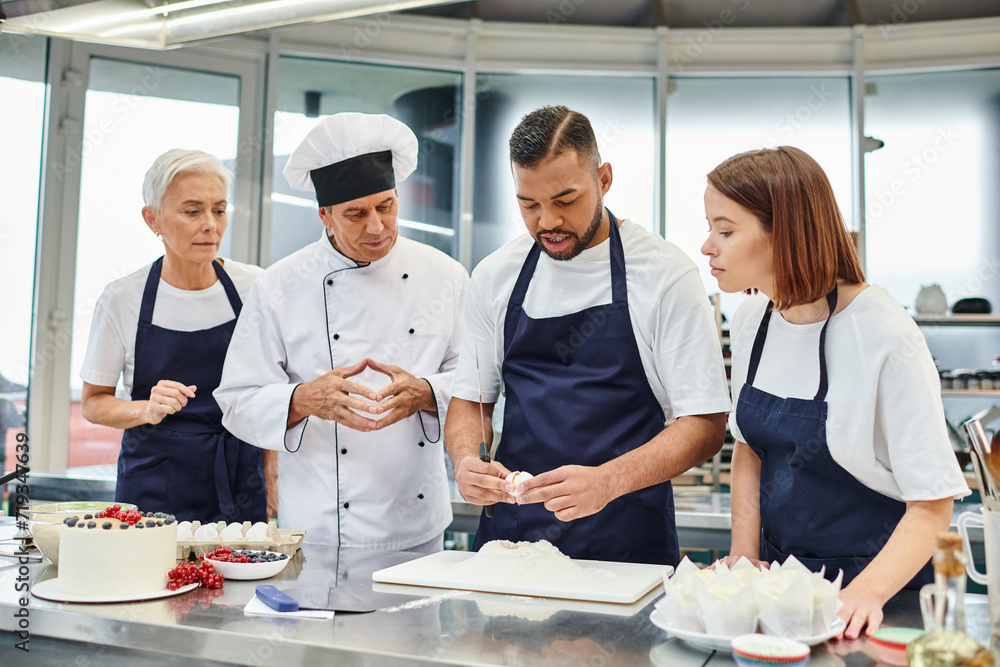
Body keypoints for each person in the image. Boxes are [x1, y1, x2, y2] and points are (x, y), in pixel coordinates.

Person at [701, 146, 969, 637]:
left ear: (783, 234)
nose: (707, 247)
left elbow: (933, 502)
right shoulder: (750, 321)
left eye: (725, 230)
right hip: (789, 585)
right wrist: (744, 557)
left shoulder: (882, 330)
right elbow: (748, 448)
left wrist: (865, 592)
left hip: (886, 592)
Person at [444, 106, 730, 566]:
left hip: (625, 541)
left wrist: (608, 481)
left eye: (565, 199)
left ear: (605, 178)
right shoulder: (495, 275)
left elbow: (705, 425)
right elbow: (472, 401)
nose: (547, 222)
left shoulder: (664, 274)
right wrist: (465, 461)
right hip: (512, 541)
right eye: (529, 205)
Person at [215, 112, 469, 551]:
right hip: (319, 528)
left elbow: (479, 382)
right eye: (355, 213)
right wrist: (302, 399)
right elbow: (236, 402)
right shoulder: (279, 285)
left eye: (386, 206)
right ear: (325, 215)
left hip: (417, 526)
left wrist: (426, 392)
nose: (376, 226)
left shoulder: (445, 276)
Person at [81, 149, 267, 523]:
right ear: (153, 219)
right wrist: (145, 408)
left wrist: (273, 475)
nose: (211, 225)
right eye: (192, 211)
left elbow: (270, 391)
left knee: (238, 581)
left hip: (239, 478)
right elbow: (93, 403)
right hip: (153, 484)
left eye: (219, 209)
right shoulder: (123, 298)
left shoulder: (255, 287)